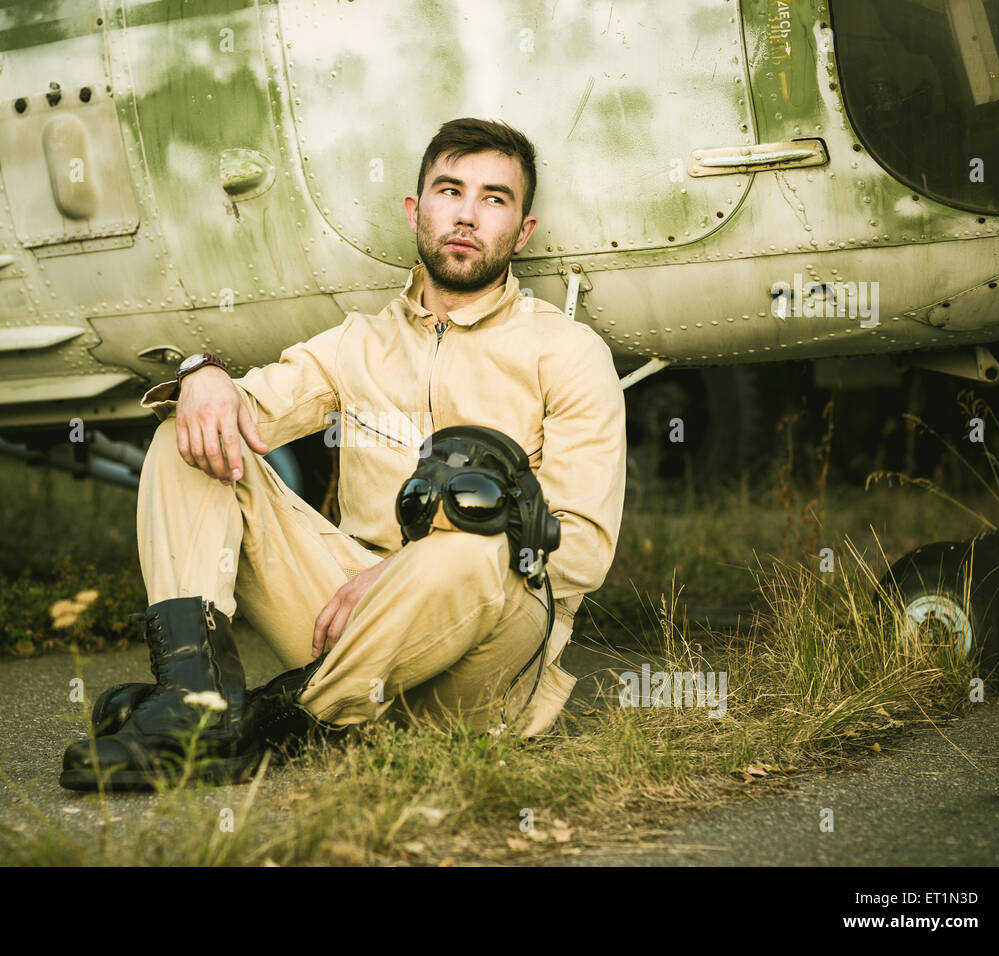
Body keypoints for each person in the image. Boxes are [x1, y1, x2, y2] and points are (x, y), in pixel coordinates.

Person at [59, 117, 626, 791]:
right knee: (189, 437)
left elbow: (580, 548)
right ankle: (194, 706)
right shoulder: (357, 343)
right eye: (450, 191)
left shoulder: (566, 350)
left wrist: (407, 574)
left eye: (494, 198)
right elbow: (241, 411)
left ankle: (265, 720)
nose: (468, 215)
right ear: (417, 210)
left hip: (482, 664)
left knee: (478, 545)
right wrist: (200, 373)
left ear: (522, 230)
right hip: (341, 618)